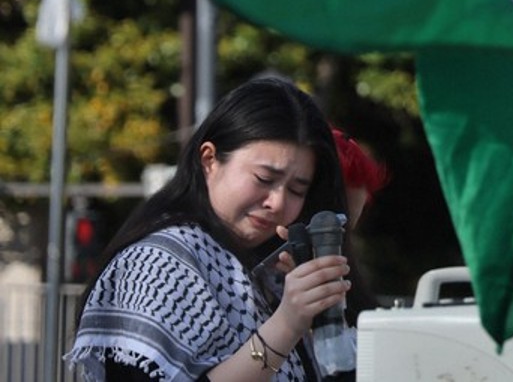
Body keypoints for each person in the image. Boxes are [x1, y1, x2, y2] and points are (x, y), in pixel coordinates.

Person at [66, 77, 352, 381]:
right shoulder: (156, 264)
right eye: (264, 179)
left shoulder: (267, 272)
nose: (277, 202)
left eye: (296, 190)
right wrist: (285, 324)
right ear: (209, 160)